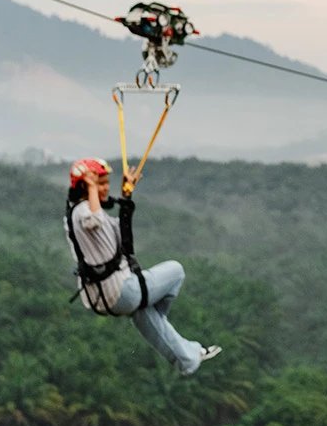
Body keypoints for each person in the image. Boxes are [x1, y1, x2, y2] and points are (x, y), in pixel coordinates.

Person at [63, 157, 220, 375]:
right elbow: (94, 220)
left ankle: (187, 358)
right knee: (176, 271)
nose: (105, 188)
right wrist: (91, 187)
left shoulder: (82, 215)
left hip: (103, 297)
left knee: (145, 310)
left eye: (106, 182)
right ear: (84, 186)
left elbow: (124, 241)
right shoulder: (82, 212)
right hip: (121, 291)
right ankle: (170, 336)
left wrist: (126, 195)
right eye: (99, 183)